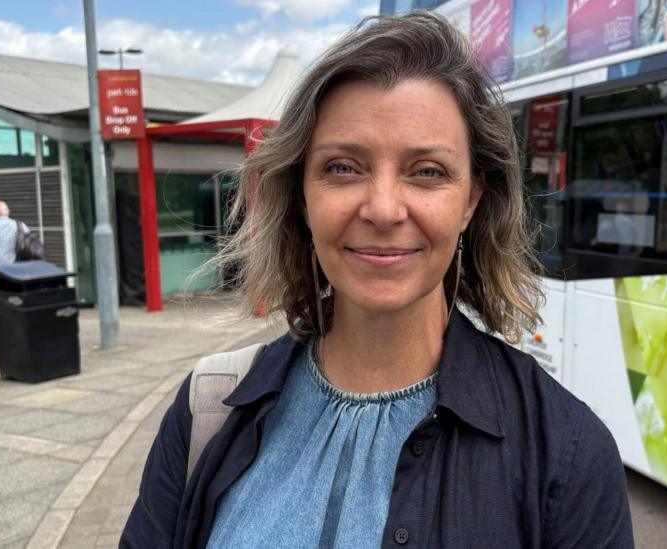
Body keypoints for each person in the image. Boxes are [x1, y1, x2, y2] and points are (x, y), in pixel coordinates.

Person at [122, 12, 633, 549]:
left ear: (471, 201)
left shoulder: (567, 452)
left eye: (428, 171)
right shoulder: (209, 408)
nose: (384, 209)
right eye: (343, 167)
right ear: (302, 195)